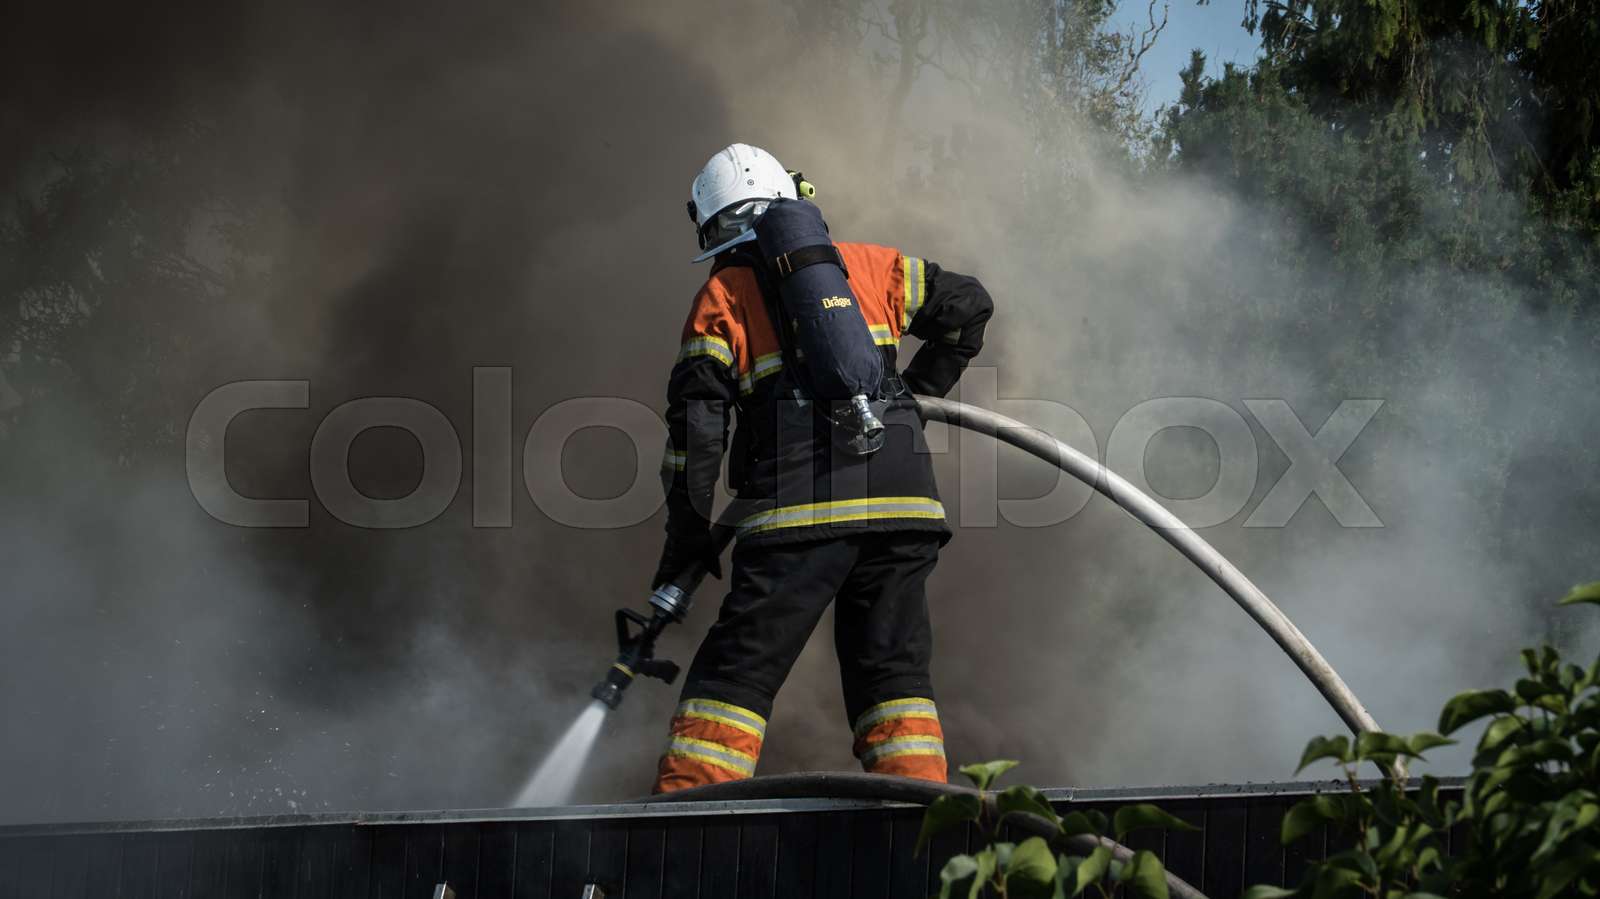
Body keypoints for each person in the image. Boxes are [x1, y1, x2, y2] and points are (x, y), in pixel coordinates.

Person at [651, 143, 993, 792]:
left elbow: (695, 432)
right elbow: (969, 306)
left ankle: (683, 820)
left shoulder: (724, 294)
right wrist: (913, 402)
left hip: (795, 510)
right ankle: (920, 826)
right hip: (905, 507)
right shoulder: (872, 266)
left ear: (716, 226)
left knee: (736, 676)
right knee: (893, 680)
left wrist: (686, 536)